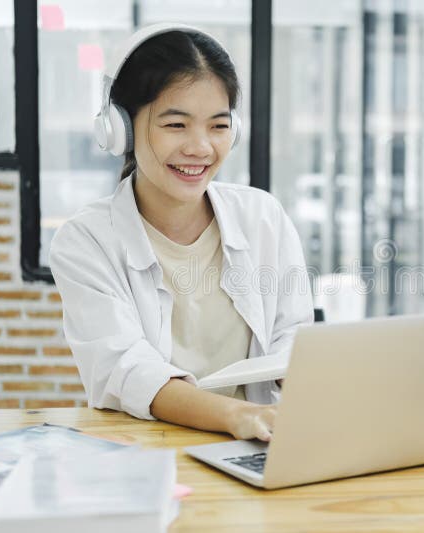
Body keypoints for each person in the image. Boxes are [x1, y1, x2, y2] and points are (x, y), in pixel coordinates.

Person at [49, 24, 313, 442]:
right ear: (122, 129)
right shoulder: (85, 242)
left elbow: (293, 338)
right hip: (146, 452)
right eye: (176, 125)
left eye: (218, 126)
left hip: (258, 446)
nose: (201, 147)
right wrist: (236, 415)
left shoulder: (263, 217)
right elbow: (126, 369)